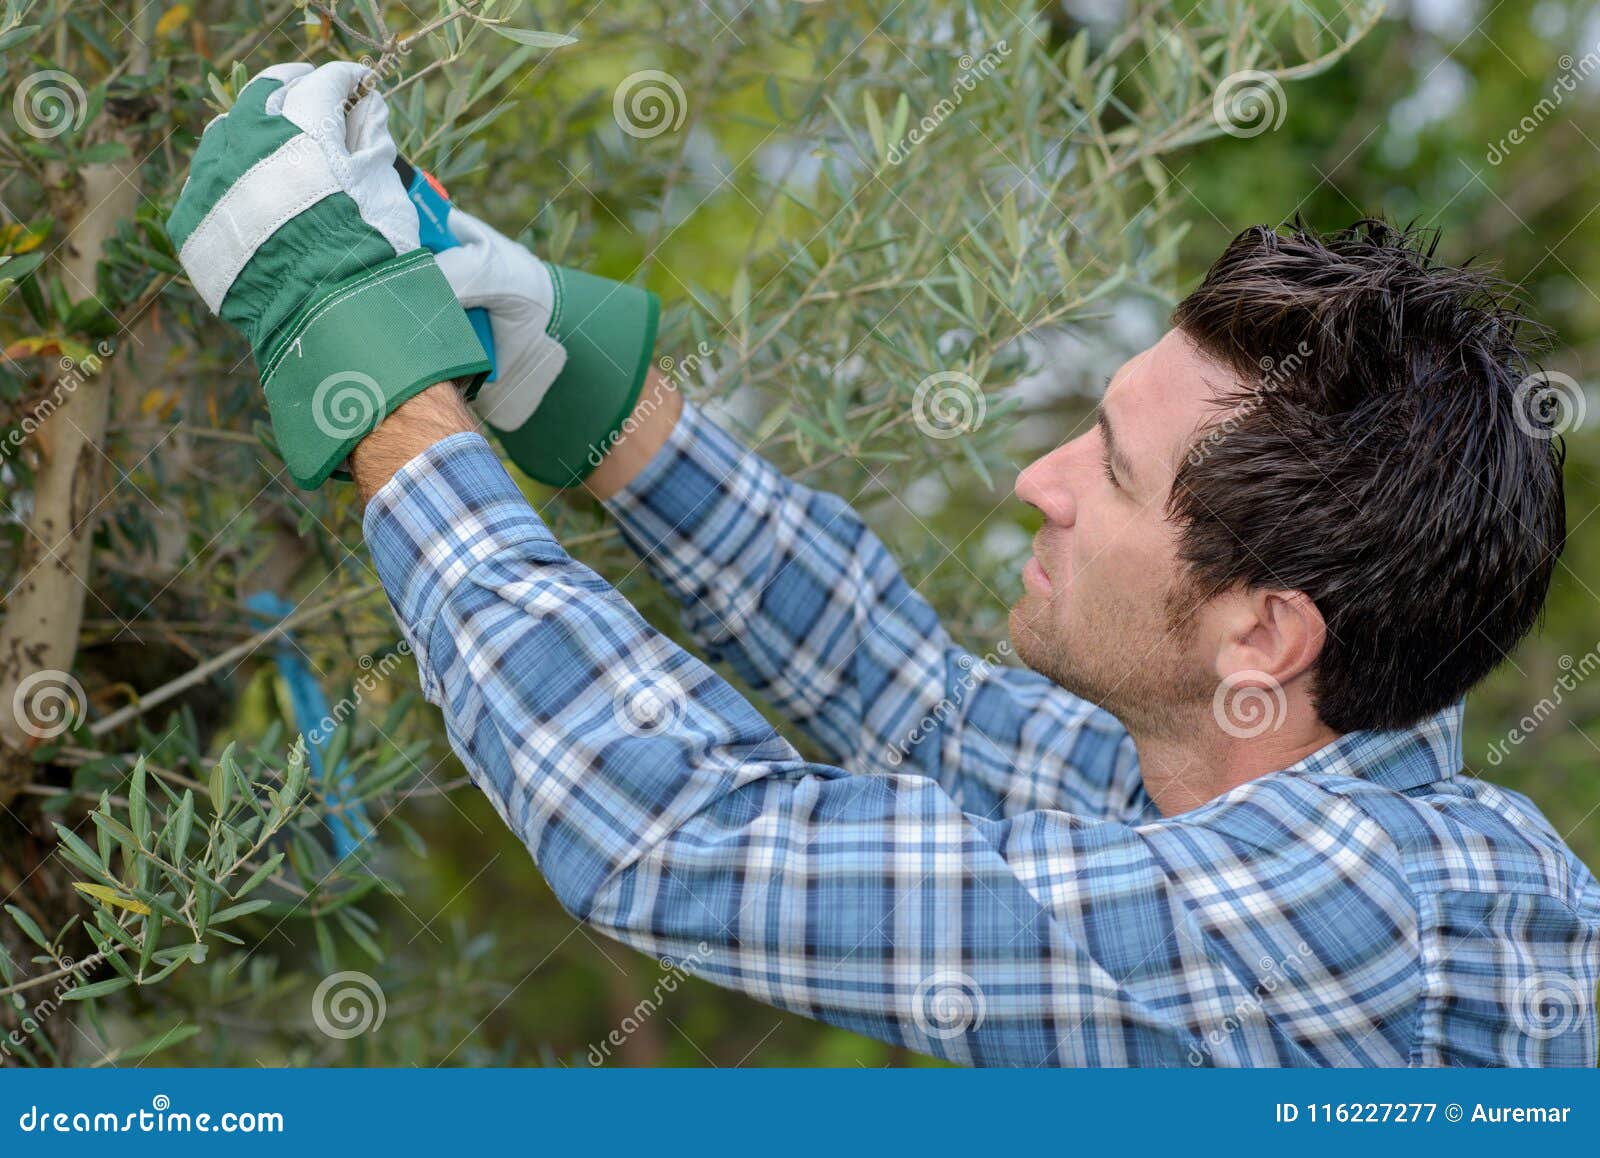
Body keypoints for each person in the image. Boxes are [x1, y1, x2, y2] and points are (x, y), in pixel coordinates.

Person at [168, 62, 1600, 1067]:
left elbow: (678, 833)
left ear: (1265, 634)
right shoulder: (1290, 762)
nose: (1032, 482)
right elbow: (920, 703)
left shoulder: (1343, 916)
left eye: (1101, 470)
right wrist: (580, 382)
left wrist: (361, 353)